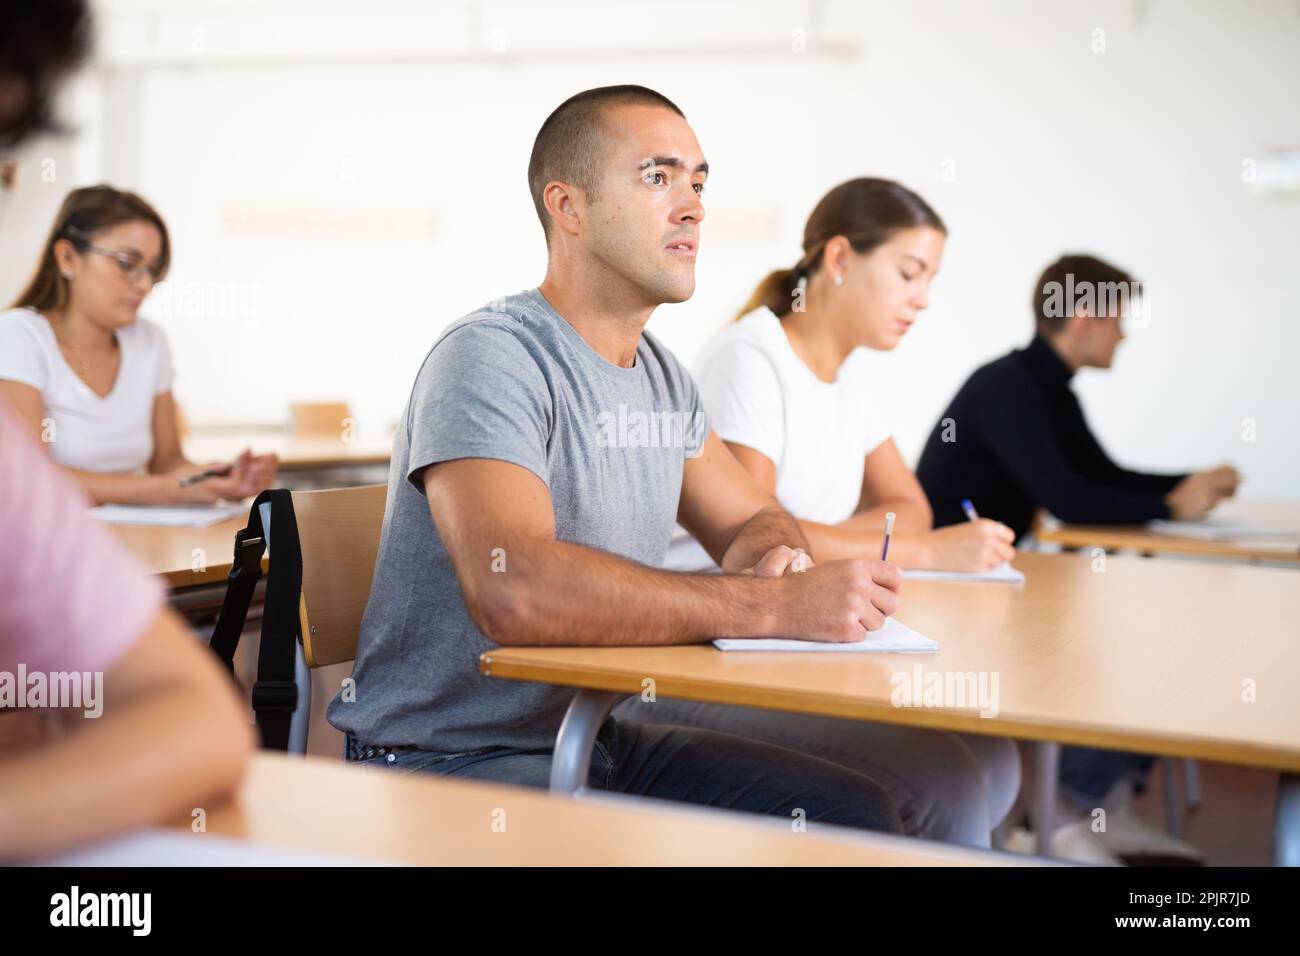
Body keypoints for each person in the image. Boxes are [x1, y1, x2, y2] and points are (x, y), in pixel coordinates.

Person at [327, 85, 907, 836]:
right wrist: (769, 605)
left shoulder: (663, 377)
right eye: (658, 178)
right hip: (452, 761)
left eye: (699, 182)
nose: (694, 206)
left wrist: (779, 563)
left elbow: (754, 518)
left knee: (855, 813)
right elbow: (517, 590)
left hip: (591, 736)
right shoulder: (490, 356)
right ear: (567, 207)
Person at [625, 178, 1020, 847]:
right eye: (908, 273)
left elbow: (910, 509)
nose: (922, 297)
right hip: (711, 647)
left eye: (930, 279)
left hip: (797, 642)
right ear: (839, 260)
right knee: (949, 778)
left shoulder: (845, 383)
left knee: (996, 758)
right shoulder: (750, 358)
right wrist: (916, 553)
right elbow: (762, 541)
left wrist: (846, 539)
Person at [916, 253, 1238, 543]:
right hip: (951, 576)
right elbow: (1067, 501)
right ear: (1083, 321)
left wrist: (1192, 481)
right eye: (1116, 320)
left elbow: (1102, 475)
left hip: (986, 566)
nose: (1122, 336)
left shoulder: (1048, 386)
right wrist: (1170, 507)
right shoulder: (1007, 386)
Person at [0, 185, 277, 505]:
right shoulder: (17, 336)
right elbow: (32, 478)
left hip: (134, 535)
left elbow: (168, 463)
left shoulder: (150, 341)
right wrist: (167, 489)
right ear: (68, 258)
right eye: (126, 262)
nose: (144, 284)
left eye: (153, 269)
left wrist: (214, 479)